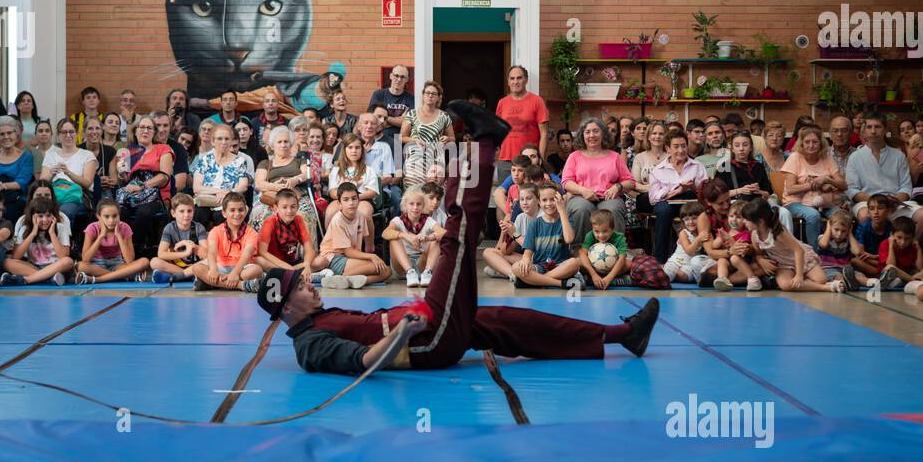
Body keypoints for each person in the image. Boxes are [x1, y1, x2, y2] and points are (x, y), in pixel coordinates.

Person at [256, 101, 661, 375]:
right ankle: (487, 140)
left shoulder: (317, 318)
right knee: (457, 233)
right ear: (287, 304)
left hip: (425, 326)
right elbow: (365, 361)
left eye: (302, 280)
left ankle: (623, 336)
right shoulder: (309, 346)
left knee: (512, 322)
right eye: (300, 285)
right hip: (428, 340)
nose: (308, 281)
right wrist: (403, 331)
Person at [743, 196, 842, 293]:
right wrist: (761, 261)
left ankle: (822, 283)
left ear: (760, 222)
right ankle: (828, 288)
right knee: (785, 285)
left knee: (821, 279)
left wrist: (799, 275)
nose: (744, 222)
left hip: (800, 259)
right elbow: (758, 253)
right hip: (783, 264)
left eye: (747, 220)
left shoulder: (778, 232)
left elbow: (798, 250)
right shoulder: (755, 235)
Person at [562, 118, 634, 242]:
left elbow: (630, 181)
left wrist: (618, 186)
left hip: (608, 197)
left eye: (596, 131)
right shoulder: (574, 156)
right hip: (581, 196)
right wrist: (582, 190)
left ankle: (615, 250)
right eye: (587, 132)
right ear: (582, 135)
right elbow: (566, 182)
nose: (592, 135)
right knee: (582, 209)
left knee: (613, 210)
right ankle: (580, 249)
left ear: (603, 133)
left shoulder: (614, 157)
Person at [114, 116, 174, 255]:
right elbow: (124, 180)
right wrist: (121, 173)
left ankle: (135, 248)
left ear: (154, 132)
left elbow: (164, 177)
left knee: (144, 212)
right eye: (142, 127)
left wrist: (142, 186)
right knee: (120, 212)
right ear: (136, 131)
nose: (145, 130)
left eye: (149, 128)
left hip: (156, 195)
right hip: (132, 194)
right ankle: (124, 247)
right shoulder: (129, 151)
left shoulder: (163, 148)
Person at [846, 112, 916, 230]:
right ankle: (874, 248)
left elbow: (906, 186)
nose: (873, 131)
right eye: (869, 127)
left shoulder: (898, 155)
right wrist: (878, 203)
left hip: (895, 203)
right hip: (867, 203)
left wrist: (895, 201)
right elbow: (852, 190)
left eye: (877, 127)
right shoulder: (855, 157)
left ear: (885, 129)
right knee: (865, 216)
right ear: (864, 131)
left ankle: (904, 247)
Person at [314, 182, 390, 290]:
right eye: (346, 200)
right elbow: (347, 251)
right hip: (335, 258)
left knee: (387, 271)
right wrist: (372, 257)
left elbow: (365, 244)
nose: (351, 203)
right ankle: (339, 277)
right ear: (339, 203)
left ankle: (352, 281)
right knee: (377, 267)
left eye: (354, 198)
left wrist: (371, 255)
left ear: (359, 200)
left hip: (350, 258)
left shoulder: (361, 216)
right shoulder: (337, 220)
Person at [648, 129, 707, 263]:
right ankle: (660, 261)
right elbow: (652, 199)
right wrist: (676, 190)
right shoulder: (658, 170)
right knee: (663, 211)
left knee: (699, 210)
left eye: (683, 146)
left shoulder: (697, 166)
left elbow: (705, 193)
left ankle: (700, 256)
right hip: (667, 204)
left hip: (690, 203)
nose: (680, 150)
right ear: (668, 148)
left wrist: (692, 187)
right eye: (676, 147)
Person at [780, 125, 844, 247]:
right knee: (813, 215)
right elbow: (790, 189)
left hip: (824, 203)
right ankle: (815, 255)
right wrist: (813, 184)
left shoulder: (826, 158)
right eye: (807, 142)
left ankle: (837, 254)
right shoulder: (795, 157)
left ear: (821, 143)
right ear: (802, 144)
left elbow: (843, 185)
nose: (811, 145)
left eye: (815, 142)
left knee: (840, 216)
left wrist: (827, 179)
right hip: (795, 202)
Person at [191, 191, 264, 291]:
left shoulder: (251, 233)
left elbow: (246, 256)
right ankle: (242, 285)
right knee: (197, 268)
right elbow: (212, 252)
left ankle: (212, 284)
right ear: (224, 213)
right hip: (221, 267)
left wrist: (235, 273)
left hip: (242, 267)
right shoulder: (216, 231)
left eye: (241, 210)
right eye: (232, 210)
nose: (237, 214)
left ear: (246, 211)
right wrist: (213, 269)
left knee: (256, 270)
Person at [41, 117, 98, 240]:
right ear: (58, 135)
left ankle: (64, 245)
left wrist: (68, 173)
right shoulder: (51, 155)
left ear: (76, 133)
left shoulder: (87, 155)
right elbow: (42, 182)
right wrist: (51, 173)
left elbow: (87, 183)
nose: (68, 135)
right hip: (54, 194)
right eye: (64, 132)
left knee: (65, 211)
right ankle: (42, 244)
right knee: (38, 207)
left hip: (78, 196)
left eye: (71, 132)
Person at [0, 196, 76, 286]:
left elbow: (64, 256)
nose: (45, 220)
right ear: (32, 216)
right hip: (34, 267)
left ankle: (26, 280)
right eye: (40, 216)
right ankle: (49, 279)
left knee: (68, 261)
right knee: (7, 262)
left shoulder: (60, 228)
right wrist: (32, 234)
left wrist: (52, 233)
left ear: (53, 216)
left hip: (56, 267)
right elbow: (16, 256)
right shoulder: (25, 229)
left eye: (48, 215)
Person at [189, 122, 253, 229]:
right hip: (206, 200)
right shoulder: (205, 160)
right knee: (199, 214)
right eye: (219, 139)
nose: (223, 142)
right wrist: (219, 191)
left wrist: (227, 193)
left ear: (231, 141)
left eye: (227, 139)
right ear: (213, 141)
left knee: (223, 215)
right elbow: (197, 187)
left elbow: (243, 186)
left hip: (228, 201)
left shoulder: (240, 161)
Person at [494, 66, 549, 184]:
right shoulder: (502, 103)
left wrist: (541, 160)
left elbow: (544, 133)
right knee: (504, 196)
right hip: (506, 160)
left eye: (519, 78)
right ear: (508, 81)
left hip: (528, 160)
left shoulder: (537, 101)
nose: (515, 81)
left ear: (526, 80)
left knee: (529, 197)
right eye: (512, 78)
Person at [77, 198, 151, 284]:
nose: (111, 220)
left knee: (144, 262)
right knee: (80, 266)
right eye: (106, 216)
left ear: (119, 215)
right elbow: (85, 258)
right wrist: (101, 236)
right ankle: (124, 276)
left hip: (117, 263)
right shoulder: (92, 228)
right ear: (98, 216)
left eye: (115, 216)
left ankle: (98, 279)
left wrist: (119, 235)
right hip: (97, 264)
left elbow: (129, 260)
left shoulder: (125, 227)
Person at [401, 80, 455, 188]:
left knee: (434, 193)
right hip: (415, 158)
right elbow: (401, 137)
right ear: (423, 95)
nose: (430, 96)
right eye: (427, 93)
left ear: (438, 97)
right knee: (414, 192)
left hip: (436, 159)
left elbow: (453, 138)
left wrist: (447, 138)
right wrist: (414, 140)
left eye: (434, 94)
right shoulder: (412, 114)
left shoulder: (444, 116)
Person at [383, 185, 441, 287]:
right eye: (411, 204)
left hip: (421, 262)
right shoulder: (398, 221)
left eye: (419, 204)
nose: (415, 207)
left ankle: (427, 273)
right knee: (394, 238)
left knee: (436, 239)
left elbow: (443, 232)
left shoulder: (428, 221)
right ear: (405, 205)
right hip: (402, 266)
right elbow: (385, 233)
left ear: (423, 206)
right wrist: (404, 235)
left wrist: (428, 238)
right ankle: (410, 272)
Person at [483, 182, 537, 280]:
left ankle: (506, 271)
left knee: (495, 263)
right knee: (488, 252)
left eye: (529, 199)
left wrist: (515, 234)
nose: (524, 202)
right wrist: (508, 234)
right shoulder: (521, 217)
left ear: (538, 200)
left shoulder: (542, 217)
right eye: (522, 199)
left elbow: (537, 249)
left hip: (539, 260)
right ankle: (512, 274)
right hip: (525, 258)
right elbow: (505, 252)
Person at [816, 208, 870, 290]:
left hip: (846, 270)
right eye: (836, 229)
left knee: (860, 276)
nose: (839, 234)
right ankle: (847, 284)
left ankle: (875, 283)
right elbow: (823, 245)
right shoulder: (824, 238)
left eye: (844, 231)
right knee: (838, 276)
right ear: (830, 226)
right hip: (828, 269)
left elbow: (857, 251)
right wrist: (828, 228)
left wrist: (850, 234)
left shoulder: (848, 240)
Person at [579, 208, 629, 291]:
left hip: (612, 268)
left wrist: (609, 278)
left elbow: (622, 259)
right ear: (592, 229)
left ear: (612, 229)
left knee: (628, 264)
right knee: (578, 261)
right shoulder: (590, 235)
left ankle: (606, 280)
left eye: (605, 231)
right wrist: (593, 274)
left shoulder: (619, 237)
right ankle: (595, 279)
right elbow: (582, 254)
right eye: (597, 231)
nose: (601, 235)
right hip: (594, 268)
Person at [875, 215, 923, 291]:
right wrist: (891, 247)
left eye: (907, 239)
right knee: (891, 268)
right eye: (899, 237)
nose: (903, 242)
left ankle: (907, 281)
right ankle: (914, 281)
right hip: (889, 274)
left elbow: (921, 268)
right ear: (892, 235)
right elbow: (891, 265)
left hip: (907, 274)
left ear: (912, 238)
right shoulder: (885, 244)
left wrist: (918, 249)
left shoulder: (913, 246)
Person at [368, 65, 414, 138]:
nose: (399, 79)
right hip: (379, 136)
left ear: (407, 79)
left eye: (402, 77)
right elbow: (372, 117)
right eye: (396, 75)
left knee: (397, 149)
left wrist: (384, 117)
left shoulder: (411, 98)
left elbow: (407, 123)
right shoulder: (379, 95)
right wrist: (398, 120)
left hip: (398, 138)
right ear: (391, 76)